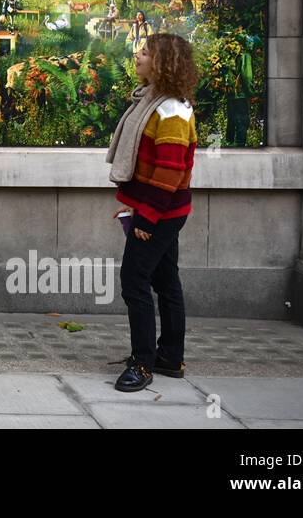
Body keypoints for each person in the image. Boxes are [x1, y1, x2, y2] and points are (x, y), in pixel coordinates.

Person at [104, 32, 199, 393]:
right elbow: (153, 167)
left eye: (144, 52)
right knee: (166, 281)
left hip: (162, 213)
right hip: (163, 210)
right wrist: (136, 204)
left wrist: (147, 217)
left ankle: (142, 364)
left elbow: (170, 170)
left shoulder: (171, 110)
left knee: (134, 281)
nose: (137, 55)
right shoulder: (153, 102)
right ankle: (170, 358)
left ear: (162, 63)